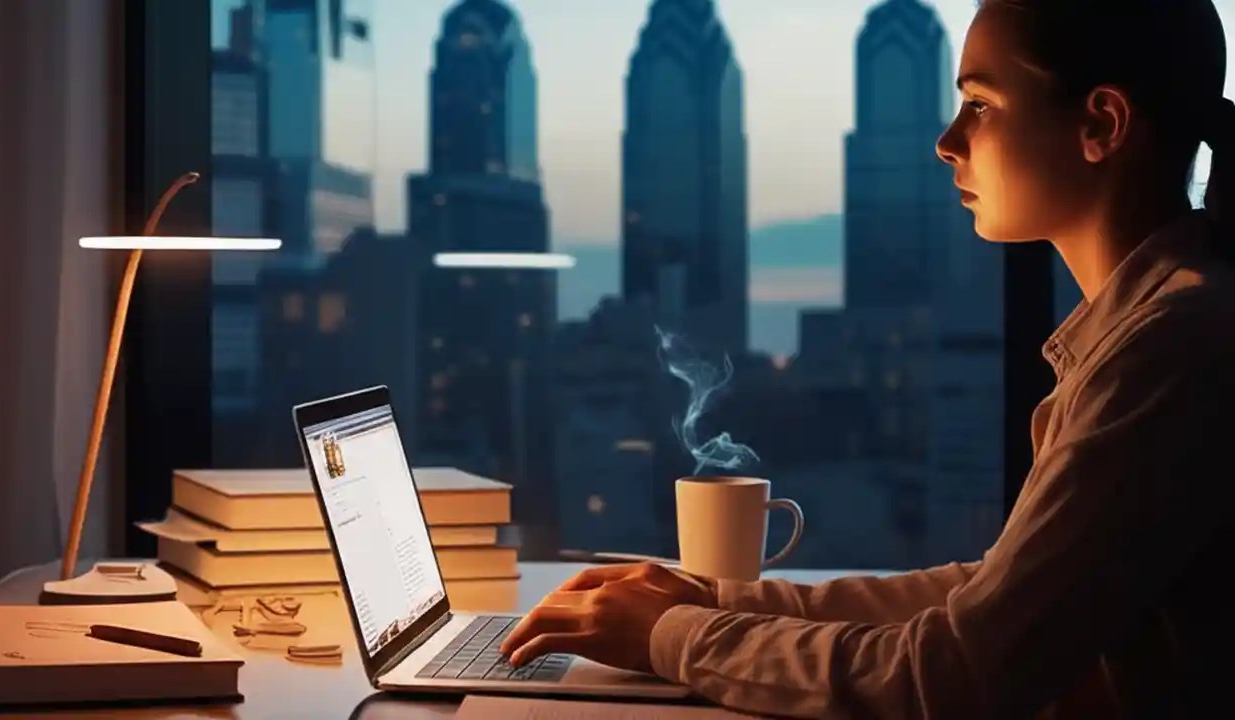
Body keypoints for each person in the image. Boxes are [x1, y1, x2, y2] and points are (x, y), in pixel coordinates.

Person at [500, 0, 1235, 717]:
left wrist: (669, 637)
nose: (948, 141)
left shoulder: (1171, 347)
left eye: (980, 105)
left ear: (1101, 124)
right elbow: (997, 596)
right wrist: (713, 600)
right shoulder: (1152, 326)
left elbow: (955, 673)